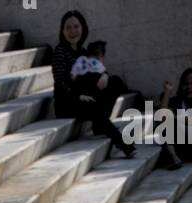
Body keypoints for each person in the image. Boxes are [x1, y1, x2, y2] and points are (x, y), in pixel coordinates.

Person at [52, 11, 137, 157]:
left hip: (87, 95)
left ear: (82, 28)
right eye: (68, 28)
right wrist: (78, 96)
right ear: (62, 31)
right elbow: (60, 82)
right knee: (94, 105)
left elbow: (99, 70)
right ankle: (124, 144)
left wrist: (104, 76)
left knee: (115, 82)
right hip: (68, 101)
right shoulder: (60, 51)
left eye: (76, 26)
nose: (72, 31)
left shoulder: (84, 51)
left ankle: (100, 124)